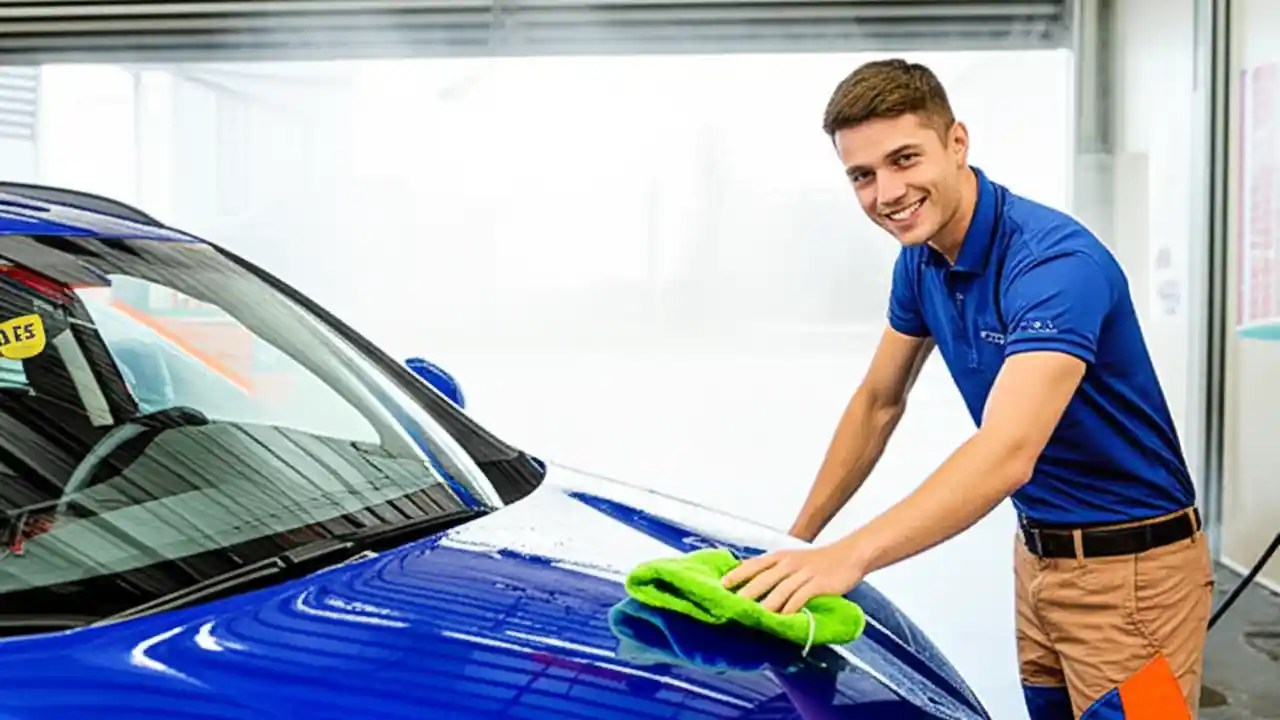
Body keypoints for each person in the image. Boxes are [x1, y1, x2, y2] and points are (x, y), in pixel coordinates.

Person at [720, 58, 1214, 719]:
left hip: (1133, 574)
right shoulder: (920, 261)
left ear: (958, 143)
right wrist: (799, 544)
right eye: (862, 176)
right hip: (1039, 560)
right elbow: (878, 403)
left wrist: (851, 556)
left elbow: (1009, 450)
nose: (886, 192)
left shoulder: (1054, 263)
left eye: (904, 159)